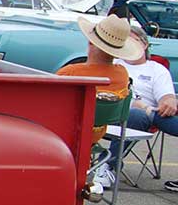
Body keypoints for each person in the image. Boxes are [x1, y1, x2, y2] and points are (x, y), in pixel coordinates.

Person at [105, 25, 178, 191]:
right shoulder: (114, 65)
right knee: (136, 113)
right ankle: (108, 166)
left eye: (133, 40)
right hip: (111, 115)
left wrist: (169, 102)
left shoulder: (156, 70)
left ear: (144, 44)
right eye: (125, 41)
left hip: (148, 118)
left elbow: (166, 96)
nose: (128, 44)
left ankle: (107, 165)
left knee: (140, 115)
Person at [57, 14, 140, 146]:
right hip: (95, 135)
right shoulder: (122, 75)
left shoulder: (70, 72)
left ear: (91, 42)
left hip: (62, 133)